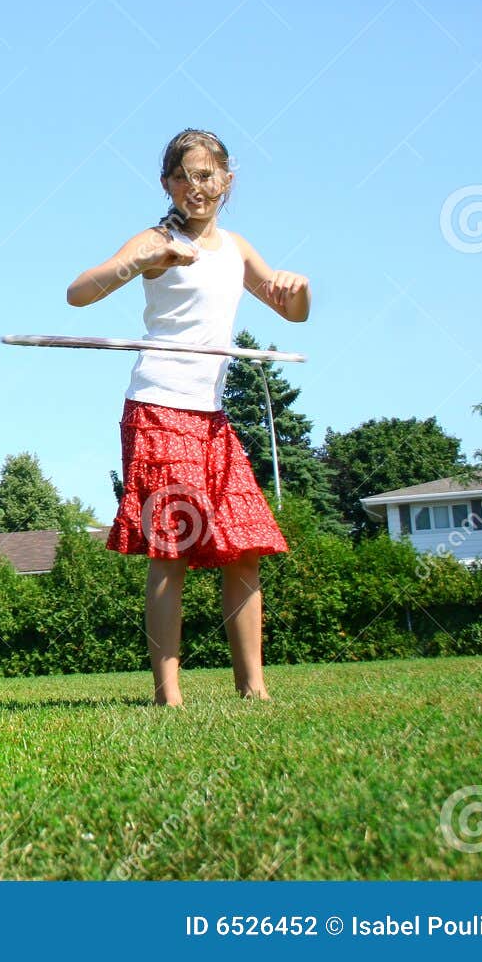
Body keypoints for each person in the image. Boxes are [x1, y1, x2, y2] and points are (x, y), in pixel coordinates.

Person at [65, 129, 310, 706]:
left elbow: (292, 313)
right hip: (158, 405)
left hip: (212, 417)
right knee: (170, 548)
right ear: (166, 185)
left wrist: (297, 289)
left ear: (227, 181)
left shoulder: (237, 248)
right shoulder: (157, 239)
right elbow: (78, 293)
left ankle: (254, 689)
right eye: (182, 177)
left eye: (206, 176)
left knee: (245, 545)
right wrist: (140, 262)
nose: (195, 188)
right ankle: (167, 694)